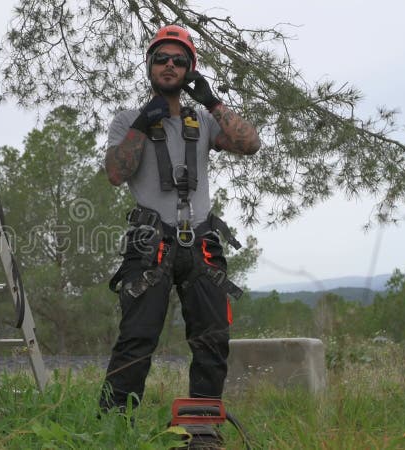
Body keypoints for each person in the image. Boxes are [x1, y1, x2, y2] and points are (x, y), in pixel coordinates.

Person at [100, 24, 261, 413]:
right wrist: (143, 124)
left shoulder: (202, 122)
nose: (169, 65)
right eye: (161, 59)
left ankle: (202, 431)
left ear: (190, 69)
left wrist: (213, 102)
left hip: (202, 242)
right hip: (150, 243)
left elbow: (250, 144)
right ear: (149, 65)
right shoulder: (127, 120)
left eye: (179, 60)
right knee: (137, 339)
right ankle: (113, 427)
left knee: (212, 340)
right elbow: (116, 173)